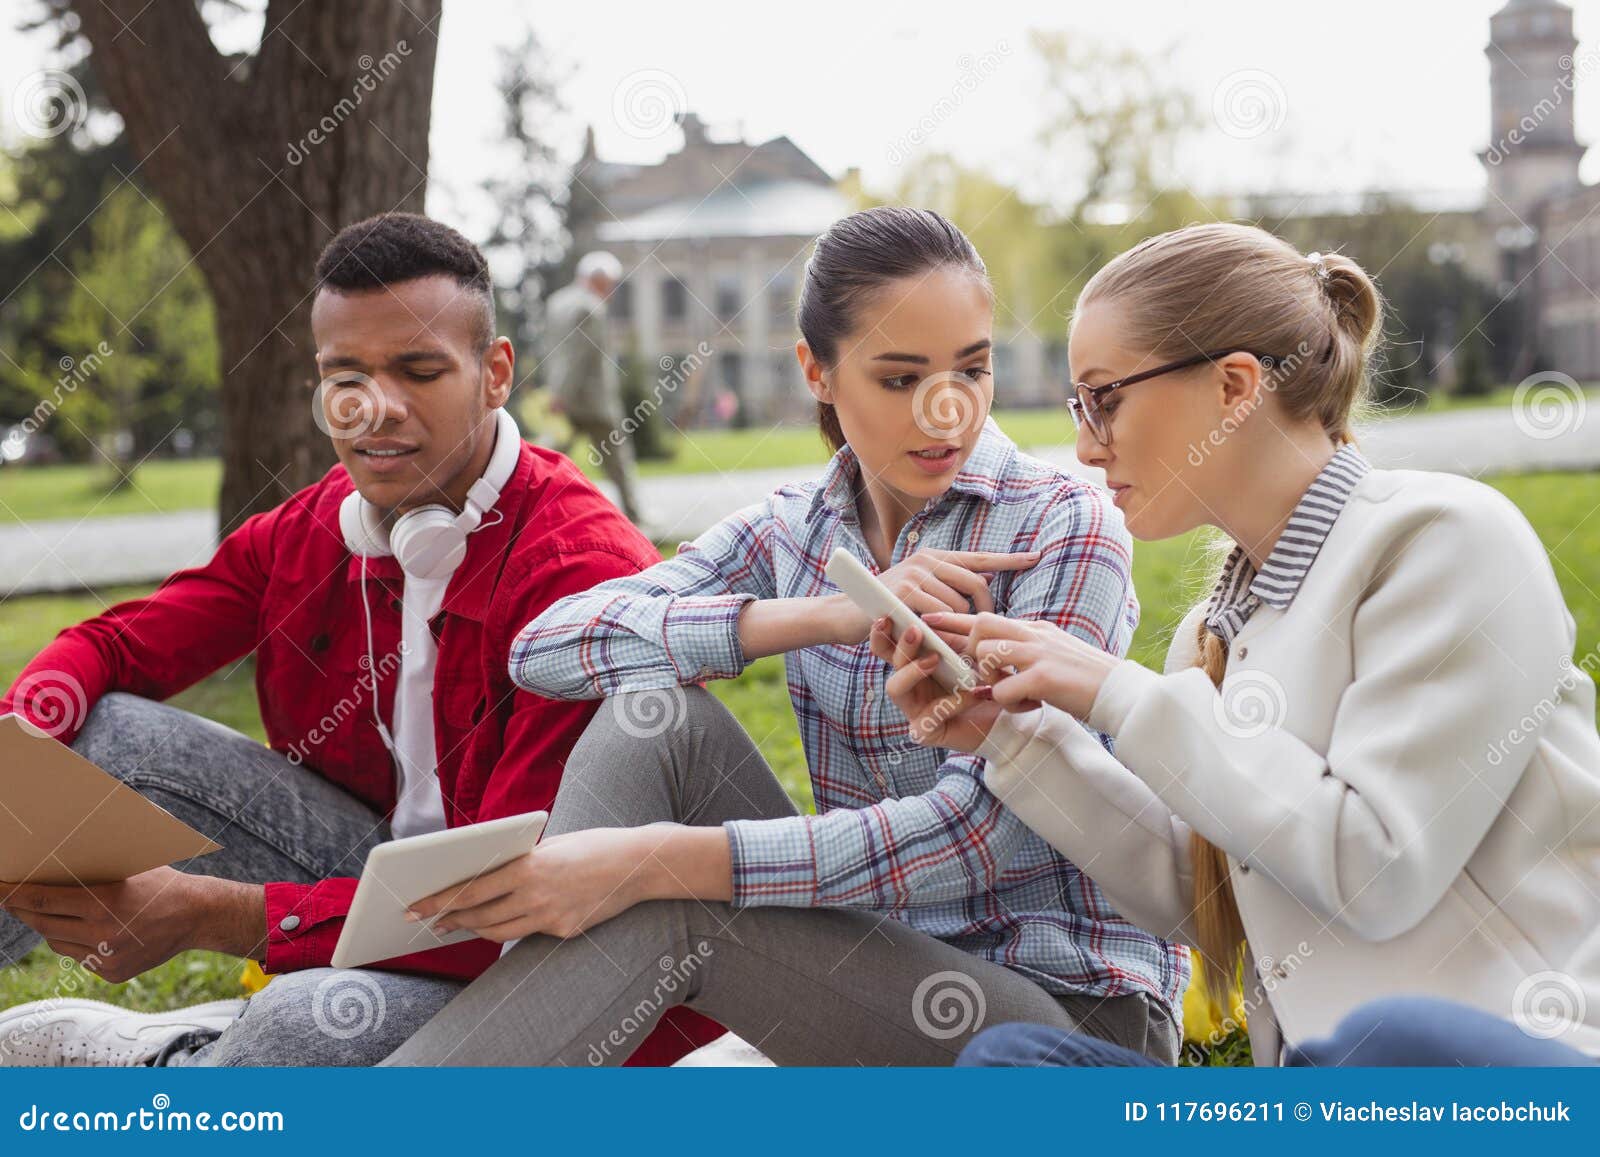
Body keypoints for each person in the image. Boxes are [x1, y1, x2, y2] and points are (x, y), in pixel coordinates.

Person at [376, 206, 1188, 1068]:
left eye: (972, 369)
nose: (947, 410)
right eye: (901, 377)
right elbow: (545, 649)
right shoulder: (792, 531)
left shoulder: (1065, 526)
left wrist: (653, 858)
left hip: (1057, 1017)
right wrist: (827, 611)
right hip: (862, 971)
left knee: (667, 898)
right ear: (819, 373)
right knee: (653, 716)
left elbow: (979, 837)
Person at [871, 221, 1600, 1067]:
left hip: (1522, 1070)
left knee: (1402, 1037)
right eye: (1079, 406)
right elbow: (1210, 896)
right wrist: (1010, 733)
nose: (1083, 443)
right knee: (1011, 1066)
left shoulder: (1445, 538)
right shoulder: (1211, 635)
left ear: (1235, 387)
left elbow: (1376, 869)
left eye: (1105, 398)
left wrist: (1121, 692)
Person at [0, 214, 721, 1067]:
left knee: (301, 1024)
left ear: (495, 374)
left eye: (419, 371)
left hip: (556, 954)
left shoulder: (581, 574)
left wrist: (206, 912)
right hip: (379, 880)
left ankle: (184, 1063)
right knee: (91, 737)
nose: (376, 410)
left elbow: (505, 905)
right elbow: (119, 646)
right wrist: (19, 737)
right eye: (349, 375)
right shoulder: (314, 530)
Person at [544, 250, 643, 524]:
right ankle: (635, 514)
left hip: (564, 394)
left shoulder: (557, 302)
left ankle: (528, 507)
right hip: (592, 400)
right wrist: (562, 394)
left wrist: (556, 391)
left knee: (549, 455)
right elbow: (578, 356)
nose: (611, 291)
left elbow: (553, 351)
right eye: (610, 284)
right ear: (598, 280)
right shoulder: (590, 308)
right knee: (618, 461)